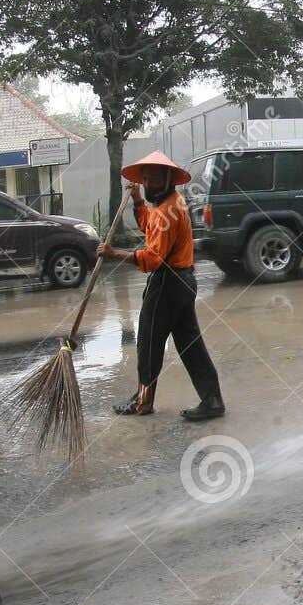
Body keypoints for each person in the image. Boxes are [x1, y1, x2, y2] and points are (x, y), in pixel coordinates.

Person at [102, 151, 225, 420]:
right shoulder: (171, 204)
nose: (147, 183)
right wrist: (137, 201)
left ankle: (143, 402)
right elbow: (149, 225)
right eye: (145, 178)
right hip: (183, 282)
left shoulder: (168, 209)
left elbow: (153, 258)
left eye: (153, 178)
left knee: (148, 344)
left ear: (168, 178)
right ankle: (213, 400)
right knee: (191, 345)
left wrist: (114, 254)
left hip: (168, 285)